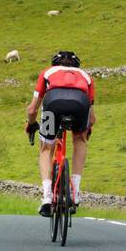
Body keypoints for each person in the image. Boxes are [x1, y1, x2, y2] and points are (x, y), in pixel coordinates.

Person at [25, 51, 95, 217]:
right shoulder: (86, 76)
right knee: (79, 140)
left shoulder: (47, 72)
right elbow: (91, 118)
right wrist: (85, 131)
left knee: (46, 148)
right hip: (80, 104)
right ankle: (75, 192)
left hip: (53, 103)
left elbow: (32, 109)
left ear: (55, 63)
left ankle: (47, 196)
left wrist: (31, 124)